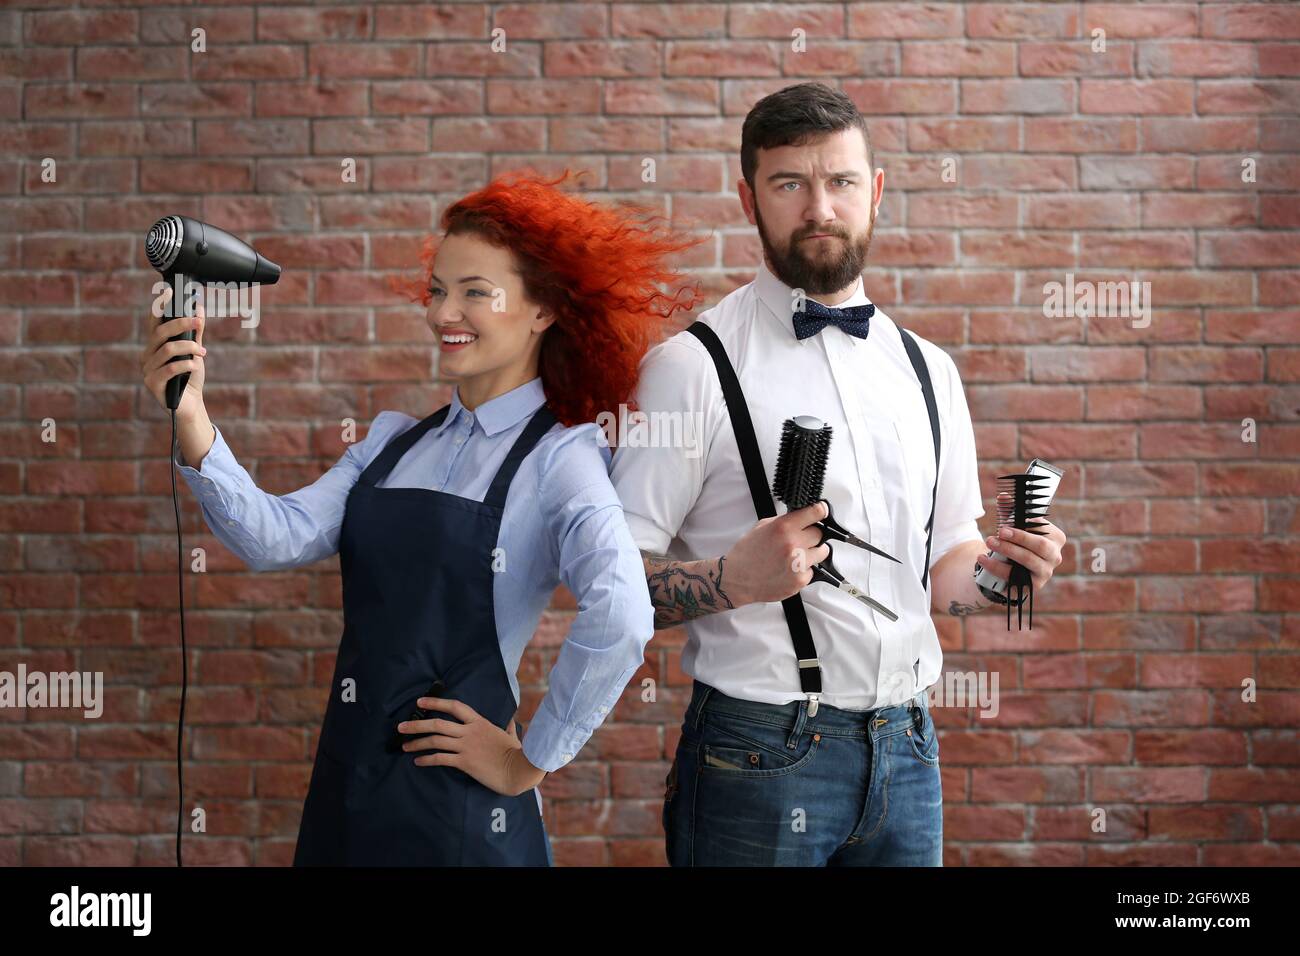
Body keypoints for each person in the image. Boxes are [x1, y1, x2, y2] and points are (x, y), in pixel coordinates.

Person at [141, 173, 703, 866]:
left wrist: (527, 762)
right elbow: (272, 537)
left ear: (543, 310)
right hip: (348, 788)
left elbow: (621, 616)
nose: (444, 313)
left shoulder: (562, 458)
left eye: (475, 291)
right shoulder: (393, 441)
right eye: (438, 290)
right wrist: (192, 413)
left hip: (458, 819)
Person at [610, 82, 1068, 866]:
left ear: (876, 191)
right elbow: (606, 584)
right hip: (758, 753)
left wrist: (1005, 576)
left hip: (909, 747)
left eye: (842, 181)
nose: (820, 207)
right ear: (748, 195)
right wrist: (733, 579)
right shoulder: (692, 368)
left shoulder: (929, 372)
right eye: (790, 183)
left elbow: (945, 570)